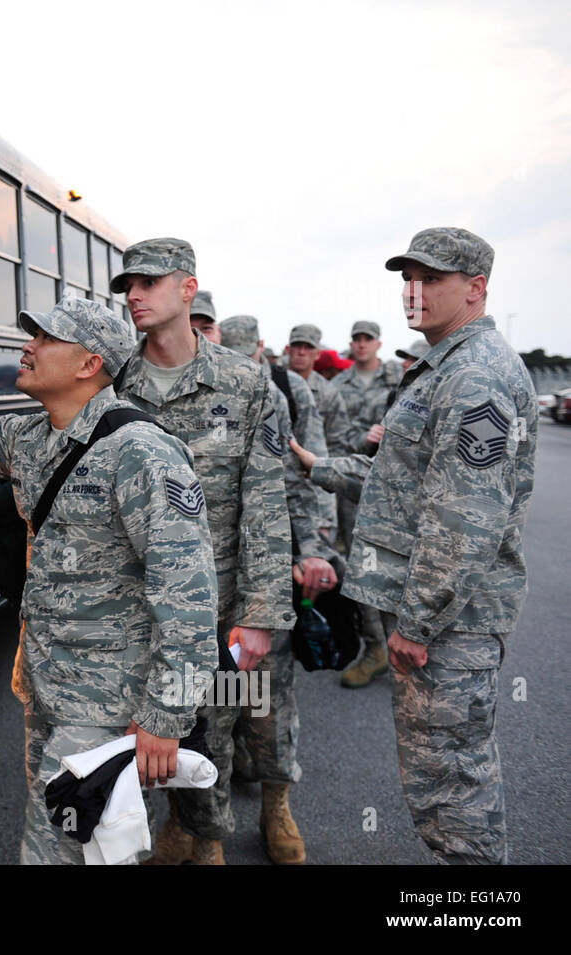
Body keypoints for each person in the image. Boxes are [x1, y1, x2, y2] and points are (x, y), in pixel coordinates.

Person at [0, 291, 219, 865]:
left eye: (47, 339)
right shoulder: (35, 439)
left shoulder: (141, 452)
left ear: (89, 364)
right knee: (90, 852)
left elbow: (189, 595)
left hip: (107, 703)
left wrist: (166, 716)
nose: (28, 348)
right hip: (48, 689)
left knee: (56, 850)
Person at [292, 227, 536, 864]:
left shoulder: (475, 375)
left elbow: (464, 519)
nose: (414, 291)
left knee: (453, 789)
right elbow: (402, 477)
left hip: (451, 624)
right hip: (442, 618)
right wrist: (318, 465)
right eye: (409, 277)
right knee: (444, 782)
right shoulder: (446, 367)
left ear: (477, 289)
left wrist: (420, 623)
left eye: (433, 279)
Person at [109, 238, 293, 865]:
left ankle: (219, 836)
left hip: (217, 601)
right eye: (127, 284)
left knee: (222, 723)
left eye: (149, 282)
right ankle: (183, 826)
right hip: (133, 600)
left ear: (188, 288)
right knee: (154, 728)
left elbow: (266, 503)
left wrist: (261, 611)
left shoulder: (245, 384)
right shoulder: (113, 382)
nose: (133, 294)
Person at [217, 315, 338, 863]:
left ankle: (275, 805)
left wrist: (312, 549)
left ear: (260, 350)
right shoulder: (195, 388)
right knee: (217, 703)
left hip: (267, 568)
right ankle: (200, 826)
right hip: (206, 577)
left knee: (268, 700)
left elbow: (303, 475)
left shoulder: (282, 392)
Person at [329, 321, 403, 687]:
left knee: (398, 567)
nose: (361, 345)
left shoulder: (398, 382)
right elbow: (332, 435)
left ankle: (404, 643)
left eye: (367, 339)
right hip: (353, 487)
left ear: (378, 343)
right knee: (360, 569)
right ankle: (375, 648)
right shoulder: (337, 386)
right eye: (356, 339)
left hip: (395, 489)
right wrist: (363, 437)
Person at [285, 323, 351, 540]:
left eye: (308, 347)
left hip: (315, 480)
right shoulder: (275, 383)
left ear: (317, 353)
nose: (301, 352)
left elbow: (337, 442)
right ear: (288, 350)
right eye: (297, 346)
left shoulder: (328, 393)